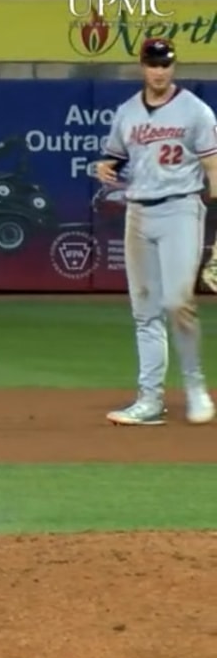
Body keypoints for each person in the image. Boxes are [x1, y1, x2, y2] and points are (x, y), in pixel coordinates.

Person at [95, 38, 217, 426]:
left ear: (174, 67)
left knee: (178, 303)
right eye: (153, 64)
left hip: (181, 208)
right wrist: (106, 167)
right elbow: (115, 156)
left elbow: (213, 167)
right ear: (142, 66)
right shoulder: (127, 112)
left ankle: (196, 387)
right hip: (138, 213)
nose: (159, 71)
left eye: (165, 64)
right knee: (144, 310)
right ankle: (150, 399)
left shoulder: (196, 111)